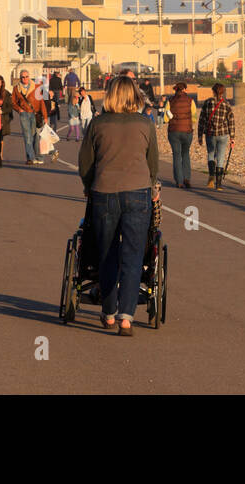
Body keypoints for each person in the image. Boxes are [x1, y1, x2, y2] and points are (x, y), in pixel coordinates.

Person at [77, 76, 159, 337]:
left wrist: (89, 184)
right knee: (133, 255)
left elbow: (85, 162)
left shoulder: (98, 124)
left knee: (107, 253)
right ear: (134, 95)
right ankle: (126, 317)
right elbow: (153, 163)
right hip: (137, 192)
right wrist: (152, 185)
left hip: (105, 192)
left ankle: (109, 312)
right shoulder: (145, 124)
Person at [197, 82, 235, 190]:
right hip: (223, 134)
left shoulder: (208, 103)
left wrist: (200, 135)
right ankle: (219, 184)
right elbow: (231, 121)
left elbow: (202, 120)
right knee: (221, 157)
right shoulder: (227, 105)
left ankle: (211, 178)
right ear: (223, 92)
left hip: (210, 133)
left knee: (211, 154)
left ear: (213, 91)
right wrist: (232, 138)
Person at [165, 82, 195, 188]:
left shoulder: (170, 101)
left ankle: (179, 181)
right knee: (185, 154)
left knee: (176, 155)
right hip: (187, 131)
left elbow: (165, 118)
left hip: (174, 131)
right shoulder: (191, 101)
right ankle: (187, 177)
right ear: (184, 90)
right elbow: (194, 117)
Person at [12, 69, 44, 165]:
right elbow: (13, 102)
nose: (25, 78)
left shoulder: (36, 86)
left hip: (34, 114)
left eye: (26, 76)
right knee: (27, 136)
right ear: (20, 78)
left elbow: (41, 102)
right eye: (22, 77)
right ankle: (31, 157)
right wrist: (19, 109)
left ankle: (36, 156)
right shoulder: (16, 88)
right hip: (24, 114)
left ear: (29, 77)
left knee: (35, 136)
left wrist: (45, 116)